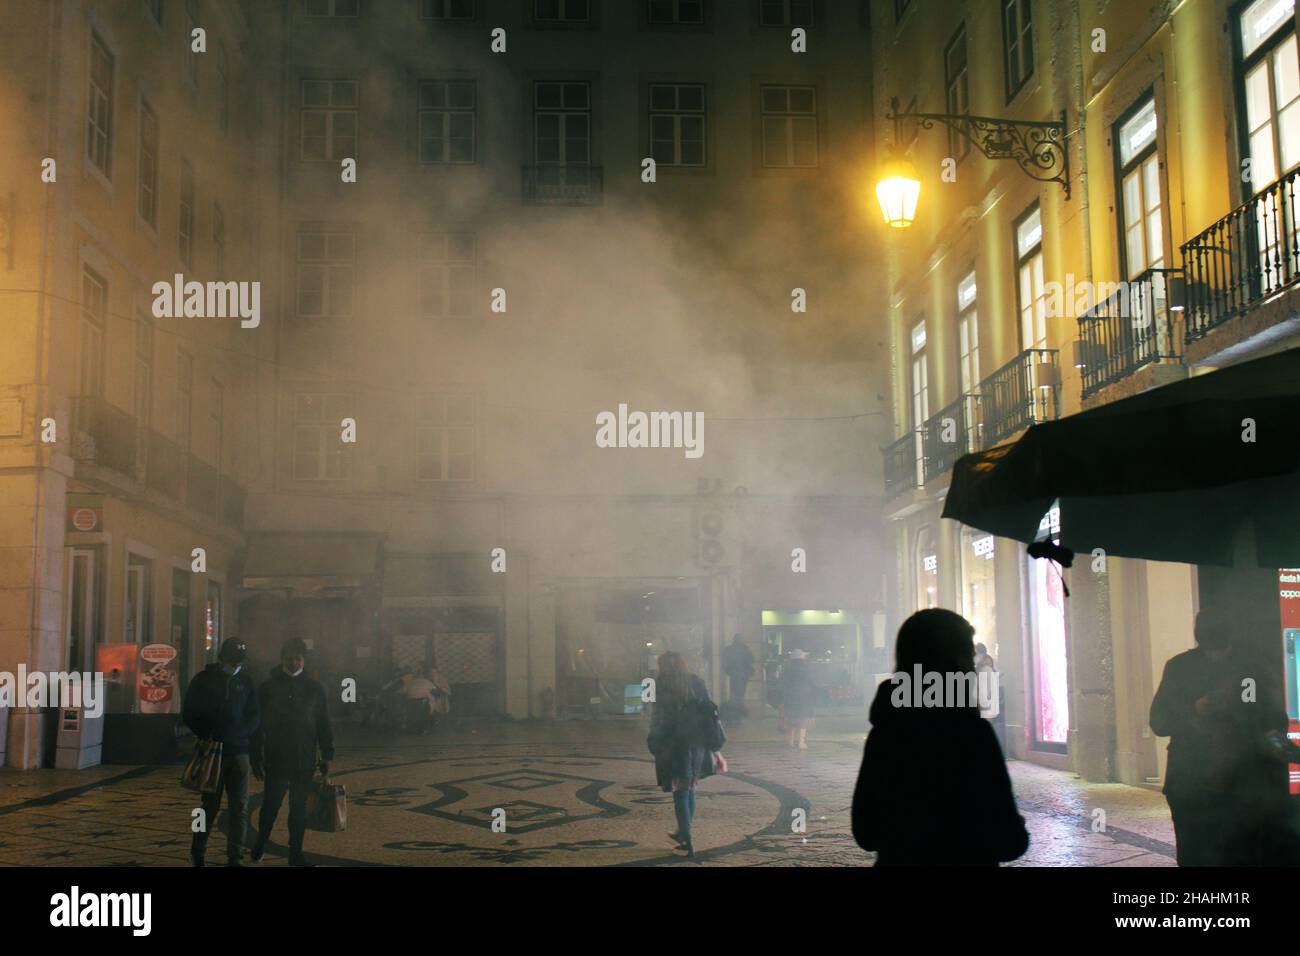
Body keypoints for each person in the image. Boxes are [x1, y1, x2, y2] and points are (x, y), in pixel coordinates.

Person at [852, 609, 1029, 866]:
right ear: (954, 661)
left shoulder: (887, 734)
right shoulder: (973, 736)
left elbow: (866, 832)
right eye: (967, 652)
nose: (973, 660)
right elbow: (1008, 841)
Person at [1150, 607, 1299, 866]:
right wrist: (1196, 709)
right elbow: (1159, 723)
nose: (1216, 655)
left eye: (1220, 647)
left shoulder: (1251, 668)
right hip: (1192, 787)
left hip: (1240, 786)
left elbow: (1270, 719)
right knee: (1196, 856)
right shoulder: (1180, 668)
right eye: (1211, 647)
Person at [250, 636, 335, 867]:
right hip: (276, 757)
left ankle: (295, 854)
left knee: (298, 810)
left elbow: (323, 723)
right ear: (282, 660)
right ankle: (260, 842)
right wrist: (255, 755)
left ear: (304, 661)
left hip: (304, 758)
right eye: (290, 659)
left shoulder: (315, 688)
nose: (294, 663)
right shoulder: (267, 688)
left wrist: (327, 754)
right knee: (271, 805)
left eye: (298, 659)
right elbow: (257, 725)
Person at [181, 637, 260, 867]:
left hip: (239, 753)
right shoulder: (203, 680)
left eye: (240, 661)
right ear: (222, 657)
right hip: (213, 752)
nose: (237, 665)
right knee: (209, 806)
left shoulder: (246, 682)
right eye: (233, 660)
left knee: (240, 807)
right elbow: (189, 712)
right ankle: (198, 850)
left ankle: (235, 857)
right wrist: (207, 733)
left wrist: (243, 732)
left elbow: (255, 714)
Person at [647, 651, 717, 858]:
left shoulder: (661, 684)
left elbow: (657, 717)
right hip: (697, 744)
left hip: (674, 745)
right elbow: (710, 709)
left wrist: (654, 741)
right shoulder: (696, 681)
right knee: (690, 788)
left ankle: (687, 840)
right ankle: (682, 832)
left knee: (680, 792)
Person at [782, 649, 816, 749]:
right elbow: (812, 683)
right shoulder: (807, 669)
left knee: (791, 718)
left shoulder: (787, 669)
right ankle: (801, 742)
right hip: (804, 697)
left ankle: (790, 741)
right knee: (802, 719)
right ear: (802, 658)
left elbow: (782, 684)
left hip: (790, 697)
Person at [721, 634, 755, 718]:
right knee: (739, 694)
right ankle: (738, 711)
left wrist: (729, 671)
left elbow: (725, 663)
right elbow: (752, 660)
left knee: (734, 693)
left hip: (735, 675)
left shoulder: (729, 649)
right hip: (742, 675)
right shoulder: (745, 649)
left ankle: (736, 711)